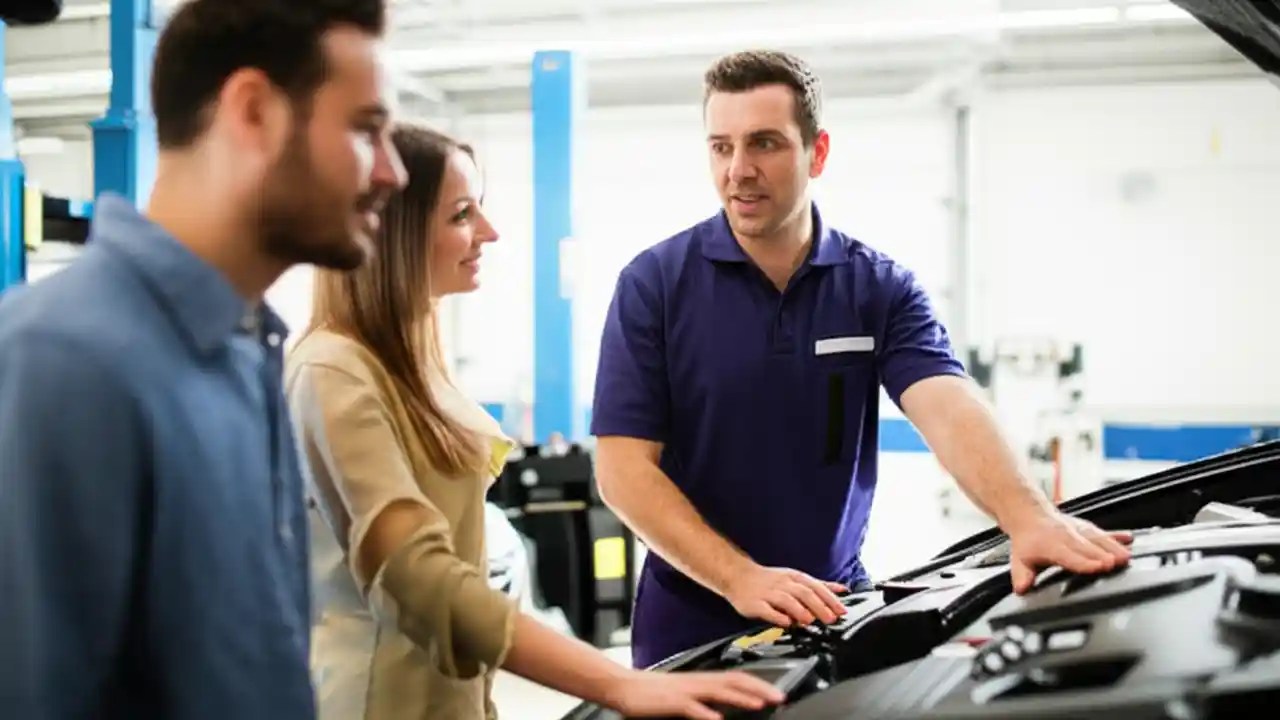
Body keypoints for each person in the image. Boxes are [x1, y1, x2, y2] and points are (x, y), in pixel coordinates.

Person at [589, 49, 1135, 669]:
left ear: (817, 153)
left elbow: (947, 404)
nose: (739, 170)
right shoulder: (654, 285)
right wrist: (741, 578)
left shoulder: (876, 286)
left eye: (764, 143)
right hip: (692, 617)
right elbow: (624, 472)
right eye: (721, 147)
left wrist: (1030, 518)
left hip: (833, 604)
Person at [285, 124, 785, 720]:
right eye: (461, 215)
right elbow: (422, 583)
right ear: (393, 231)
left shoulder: (410, 363)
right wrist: (621, 684)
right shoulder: (332, 373)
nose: (489, 233)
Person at [0, 1, 406, 717]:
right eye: (366, 131)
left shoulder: (247, 355)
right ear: (253, 111)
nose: (393, 173)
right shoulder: (62, 361)